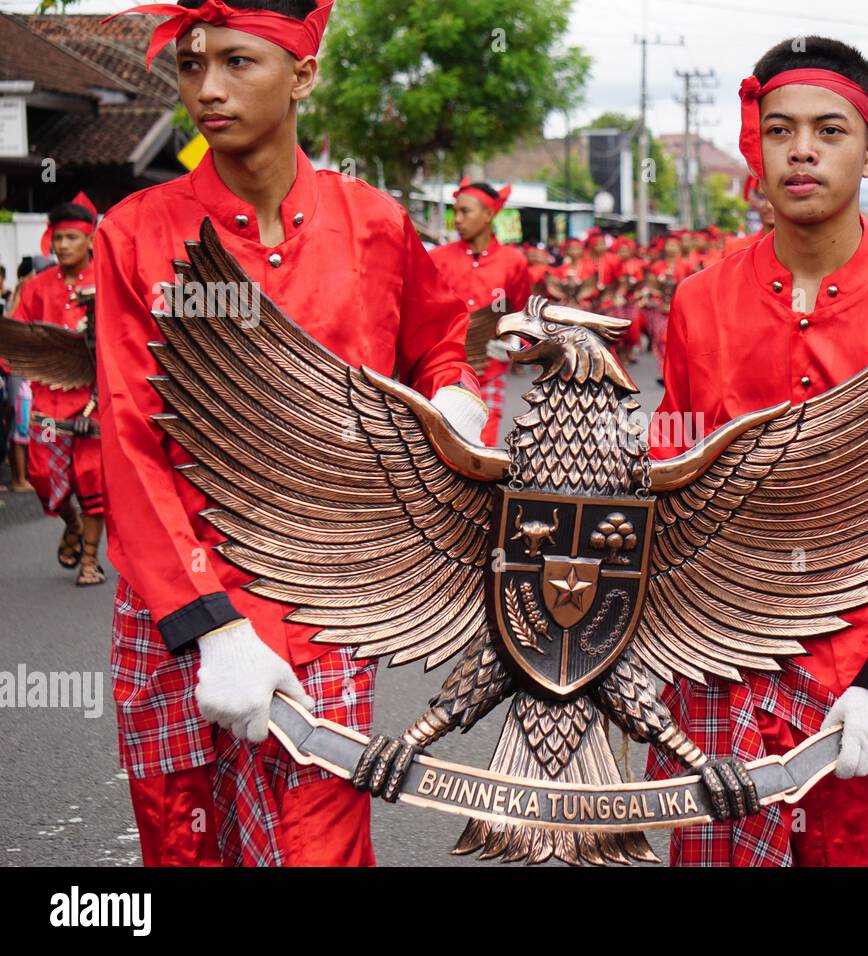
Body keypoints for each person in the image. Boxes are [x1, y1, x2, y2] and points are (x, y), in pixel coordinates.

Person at [97, 0, 482, 867]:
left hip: (326, 604)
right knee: (183, 845)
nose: (207, 88)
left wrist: (452, 402)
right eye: (192, 66)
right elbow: (128, 442)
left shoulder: (375, 224)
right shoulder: (138, 233)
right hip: (175, 610)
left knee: (320, 848)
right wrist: (211, 627)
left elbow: (438, 345)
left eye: (238, 63)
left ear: (302, 75)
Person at [645, 35, 868, 867]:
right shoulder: (698, 303)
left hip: (864, 671)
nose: (802, 150)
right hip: (718, 664)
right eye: (780, 129)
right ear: (753, 148)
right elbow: (669, 468)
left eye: (829, 131)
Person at [10, 196, 105, 585]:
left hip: (93, 403)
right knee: (43, 478)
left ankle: (88, 562)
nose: (63, 245)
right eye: (58, 238)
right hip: (47, 404)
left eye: (71, 238)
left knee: (92, 477)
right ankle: (72, 524)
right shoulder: (36, 288)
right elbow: (16, 337)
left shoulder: (106, 282)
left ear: (88, 240)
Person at [429, 178, 531, 445]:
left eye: (465, 211)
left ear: (488, 214)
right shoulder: (437, 258)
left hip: (490, 368)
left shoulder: (514, 262)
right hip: (443, 369)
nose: (458, 219)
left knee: (482, 448)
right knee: (442, 443)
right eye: (455, 212)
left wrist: (513, 342)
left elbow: (522, 311)